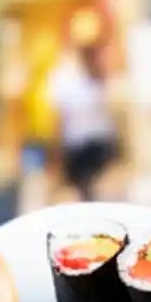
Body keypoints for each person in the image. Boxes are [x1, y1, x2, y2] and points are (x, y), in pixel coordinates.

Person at [48, 42, 118, 201]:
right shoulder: (66, 80)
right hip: (77, 147)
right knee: (79, 189)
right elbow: (59, 119)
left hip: (99, 145)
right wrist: (56, 151)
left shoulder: (101, 79)